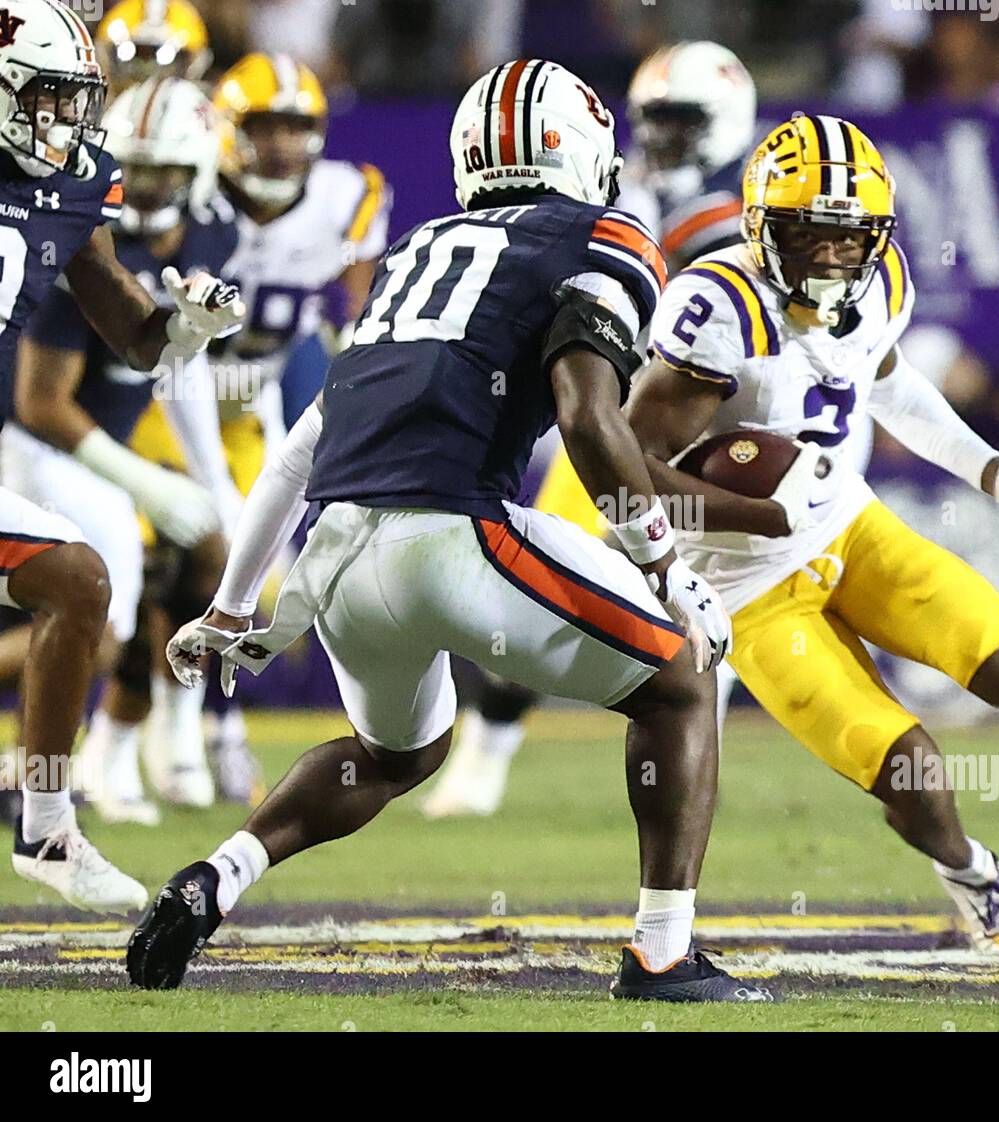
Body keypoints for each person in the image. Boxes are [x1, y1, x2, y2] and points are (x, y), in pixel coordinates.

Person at [130, 59, 764, 1004]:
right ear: (580, 146)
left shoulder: (420, 247)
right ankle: (664, 954)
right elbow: (592, 423)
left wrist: (231, 607)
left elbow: (302, 448)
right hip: (456, 533)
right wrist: (673, 574)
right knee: (680, 681)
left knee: (396, 754)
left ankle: (213, 880)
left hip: (337, 555)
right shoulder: (606, 233)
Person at [624, 113, 999, 953]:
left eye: (849, 237)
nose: (833, 257)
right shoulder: (717, 308)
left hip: (848, 526)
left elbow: (892, 386)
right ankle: (976, 875)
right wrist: (757, 510)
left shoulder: (882, 284)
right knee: (912, 771)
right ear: (760, 229)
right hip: (744, 588)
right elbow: (628, 466)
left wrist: (998, 476)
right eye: (808, 235)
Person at [423, 40, 759, 821]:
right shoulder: (620, 190)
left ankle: (692, 771)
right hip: (615, 429)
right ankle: (488, 745)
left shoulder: (740, 211)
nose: (664, 136)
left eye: (682, 119)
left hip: (713, 438)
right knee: (545, 596)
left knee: (724, 610)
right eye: (655, 119)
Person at [0, 0, 243, 912]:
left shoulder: (75, 179)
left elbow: (130, 331)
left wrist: (183, 326)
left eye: (74, 102)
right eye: (42, 100)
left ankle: (48, 824)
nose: (62, 123)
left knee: (80, 582)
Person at [126, 50, 392, 803]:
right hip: (163, 400)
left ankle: (208, 724)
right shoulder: (197, 191)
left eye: (296, 126)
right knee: (159, 570)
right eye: (264, 126)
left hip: (251, 409)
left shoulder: (348, 195)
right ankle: (167, 733)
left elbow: (353, 311)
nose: (279, 143)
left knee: (256, 584)